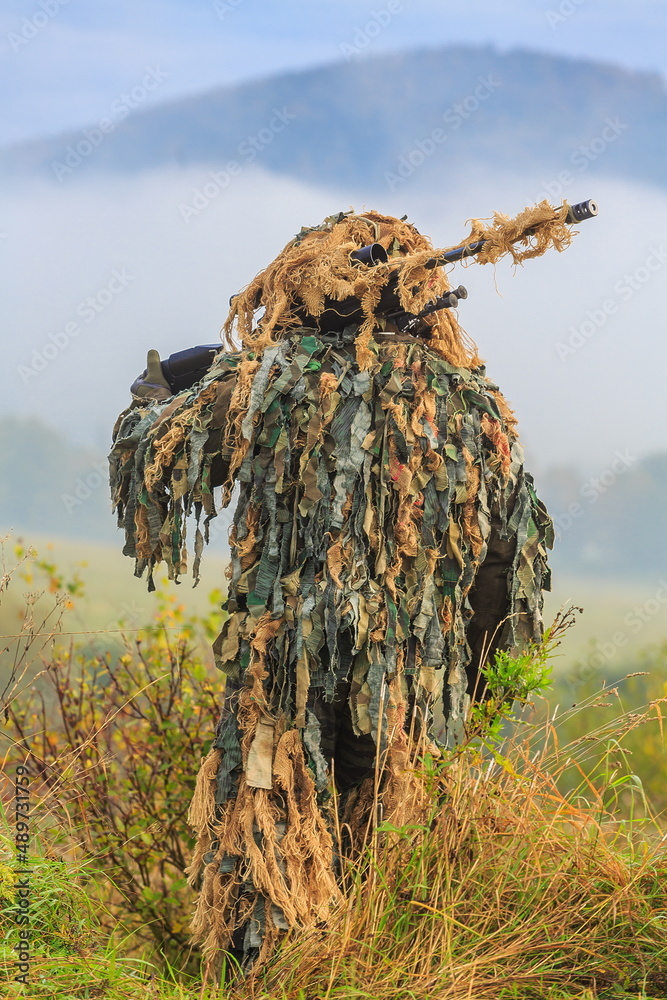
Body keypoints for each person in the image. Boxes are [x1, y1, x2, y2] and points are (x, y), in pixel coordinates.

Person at [110, 208, 557, 975]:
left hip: (283, 678)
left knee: (271, 836)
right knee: (382, 841)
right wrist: (476, 684)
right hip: (409, 687)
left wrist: (155, 388)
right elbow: (505, 563)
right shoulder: (471, 406)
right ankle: (374, 975)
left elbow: (146, 468)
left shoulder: (268, 385)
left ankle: (266, 980)